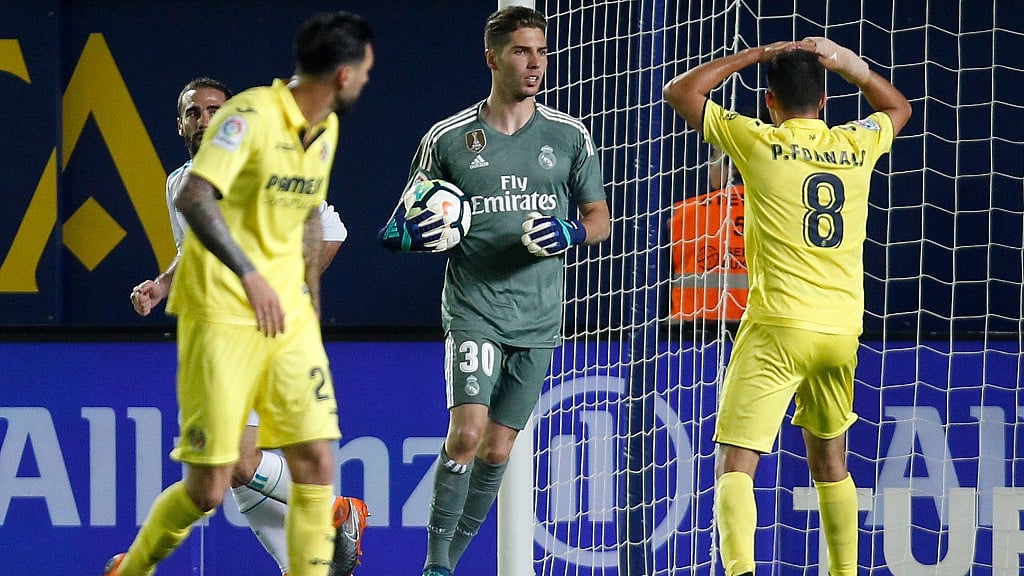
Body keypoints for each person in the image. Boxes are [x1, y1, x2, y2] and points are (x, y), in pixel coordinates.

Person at [105, 11, 375, 576]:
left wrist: (299, 300)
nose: (204, 119)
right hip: (221, 328)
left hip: (277, 324)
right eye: (192, 112)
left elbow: (320, 227)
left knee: (311, 458)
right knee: (216, 482)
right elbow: (199, 225)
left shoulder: (312, 132)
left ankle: (318, 543)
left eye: (211, 109)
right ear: (179, 125)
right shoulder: (194, 169)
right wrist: (166, 283)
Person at [663, 37, 910, 576]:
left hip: (778, 325)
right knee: (831, 464)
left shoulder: (757, 140)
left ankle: (740, 572)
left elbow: (680, 93)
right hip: (842, 329)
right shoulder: (855, 143)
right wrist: (850, 66)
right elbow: (897, 108)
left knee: (736, 463)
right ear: (824, 103)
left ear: (769, 102)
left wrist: (755, 56)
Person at [378, 7, 610, 576]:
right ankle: (435, 565)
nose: (535, 64)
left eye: (541, 51)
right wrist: (407, 237)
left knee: (500, 450)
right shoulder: (450, 139)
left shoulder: (568, 135)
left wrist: (571, 231)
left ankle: (447, 564)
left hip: (538, 317)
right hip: (474, 308)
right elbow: (396, 223)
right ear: (493, 58)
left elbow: (601, 219)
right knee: (467, 433)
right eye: (521, 52)